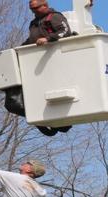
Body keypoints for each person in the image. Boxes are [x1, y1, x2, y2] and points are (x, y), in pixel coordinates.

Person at [18, 1, 75, 136]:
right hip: (40, 64)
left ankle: (61, 121)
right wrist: (19, 49)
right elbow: (32, 40)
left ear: (45, 5)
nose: (34, 11)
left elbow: (65, 31)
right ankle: (45, 119)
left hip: (56, 61)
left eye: (36, 8)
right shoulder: (34, 23)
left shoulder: (54, 17)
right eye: (32, 9)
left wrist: (48, 39)